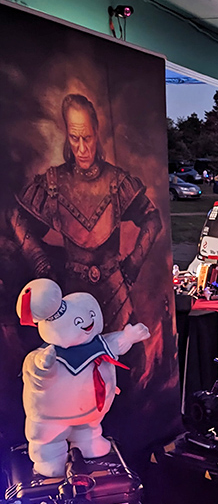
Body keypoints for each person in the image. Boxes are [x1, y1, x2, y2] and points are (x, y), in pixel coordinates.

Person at [12, 93, 161, 330]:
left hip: (116, 292)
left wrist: (132, 265)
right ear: (67, 135)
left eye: (87, 138)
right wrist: (42, 265)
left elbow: (152, 218)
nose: (82, 148)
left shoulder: (116, 180)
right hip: (71, 293)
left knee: (131, 358)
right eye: (74, 138)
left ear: (96, 132)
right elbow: (17, 218)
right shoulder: (53, 181)